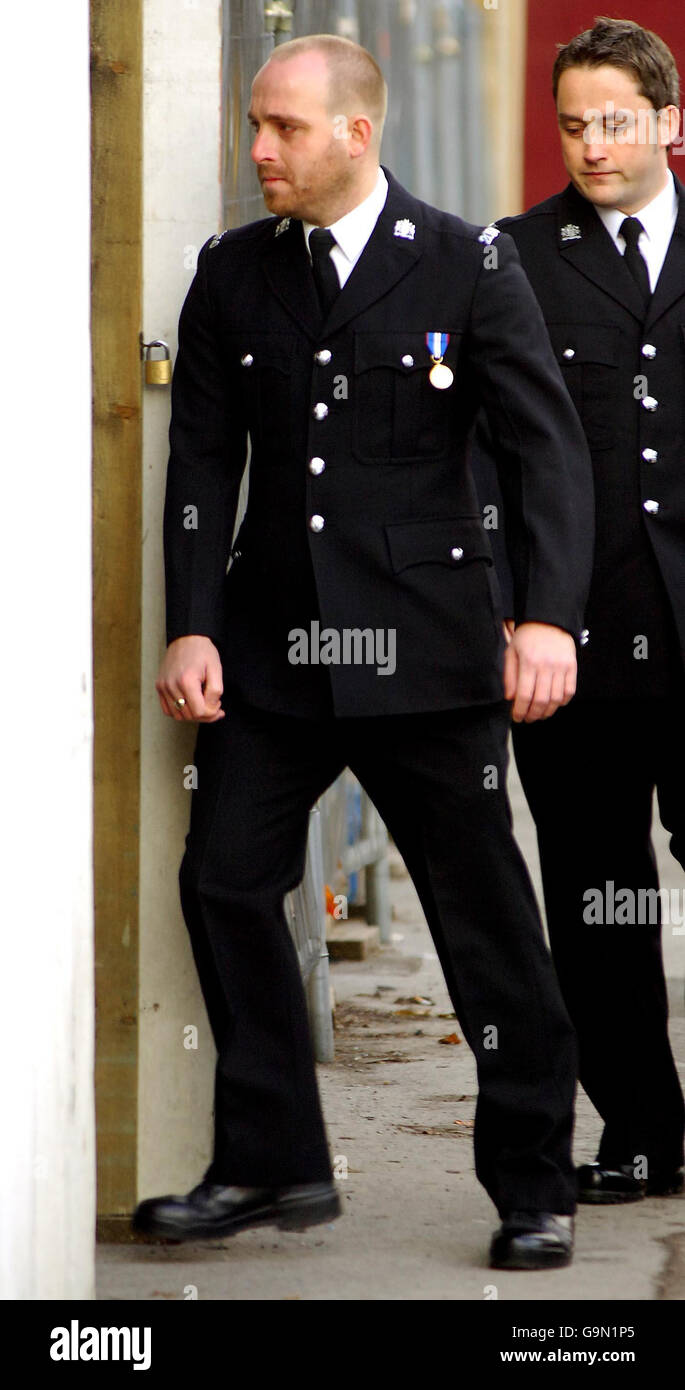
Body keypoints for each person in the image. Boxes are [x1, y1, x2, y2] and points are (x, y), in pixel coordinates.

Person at [132, 34, 595, 1270]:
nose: (257, 151)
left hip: (428, 654)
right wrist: (191, 619)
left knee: (483, 915)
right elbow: (202, 464)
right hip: (276, 656)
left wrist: (546, 616)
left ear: (356, 132)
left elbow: (544, 448)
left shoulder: (463, 262)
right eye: (251, 125)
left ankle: (533, 1182)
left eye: (282, 128)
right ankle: (268, 1157)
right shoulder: (232, 272)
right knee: (224, 879)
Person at [475, 17, 685, 1206]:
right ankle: (642, 1134)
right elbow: (487, 458)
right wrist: (515, 614)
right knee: (602, 898)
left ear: (667, 120)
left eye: (614, 120)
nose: (591, 145)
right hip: (575, 640)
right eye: (571, 124)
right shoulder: (511, 257)